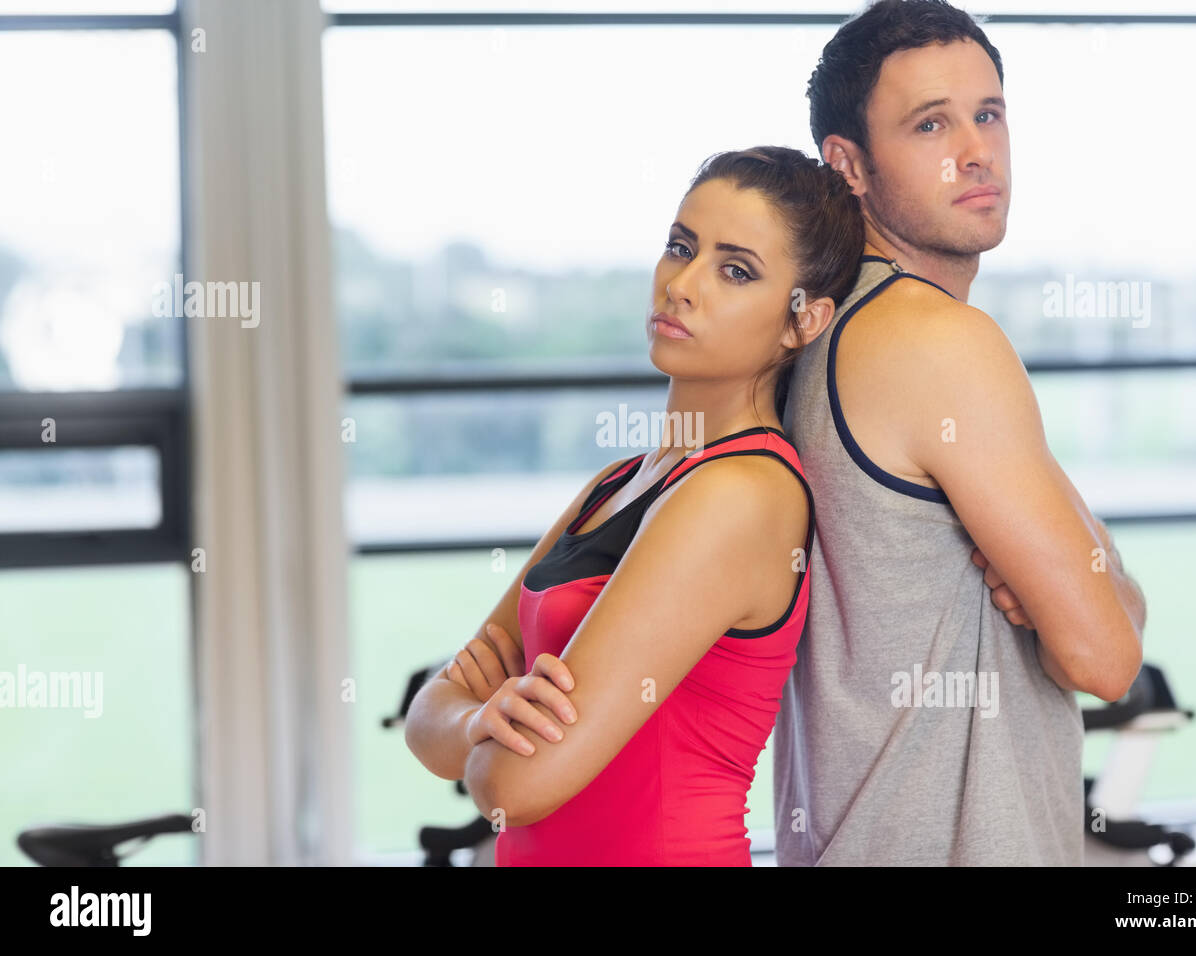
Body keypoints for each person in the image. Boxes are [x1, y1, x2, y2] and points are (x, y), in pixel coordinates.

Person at [404, 145, 866, 864]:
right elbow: (429, 712)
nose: (681, 284)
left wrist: (473, 730)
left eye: (734, 269)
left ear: (803, 321)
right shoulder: (616, 483)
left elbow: (513, 787)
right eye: (680, 247)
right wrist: (473, 726)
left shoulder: (740, 495)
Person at [771, 0, 1148, 865]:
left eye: (988, 113)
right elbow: (1106, 656)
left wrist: (1083, 594)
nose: (976, 150)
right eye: (930, 123)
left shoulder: (828, 330)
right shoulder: (939, 342)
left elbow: (1088, 623)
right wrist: (1101, 595)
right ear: (849, 166)